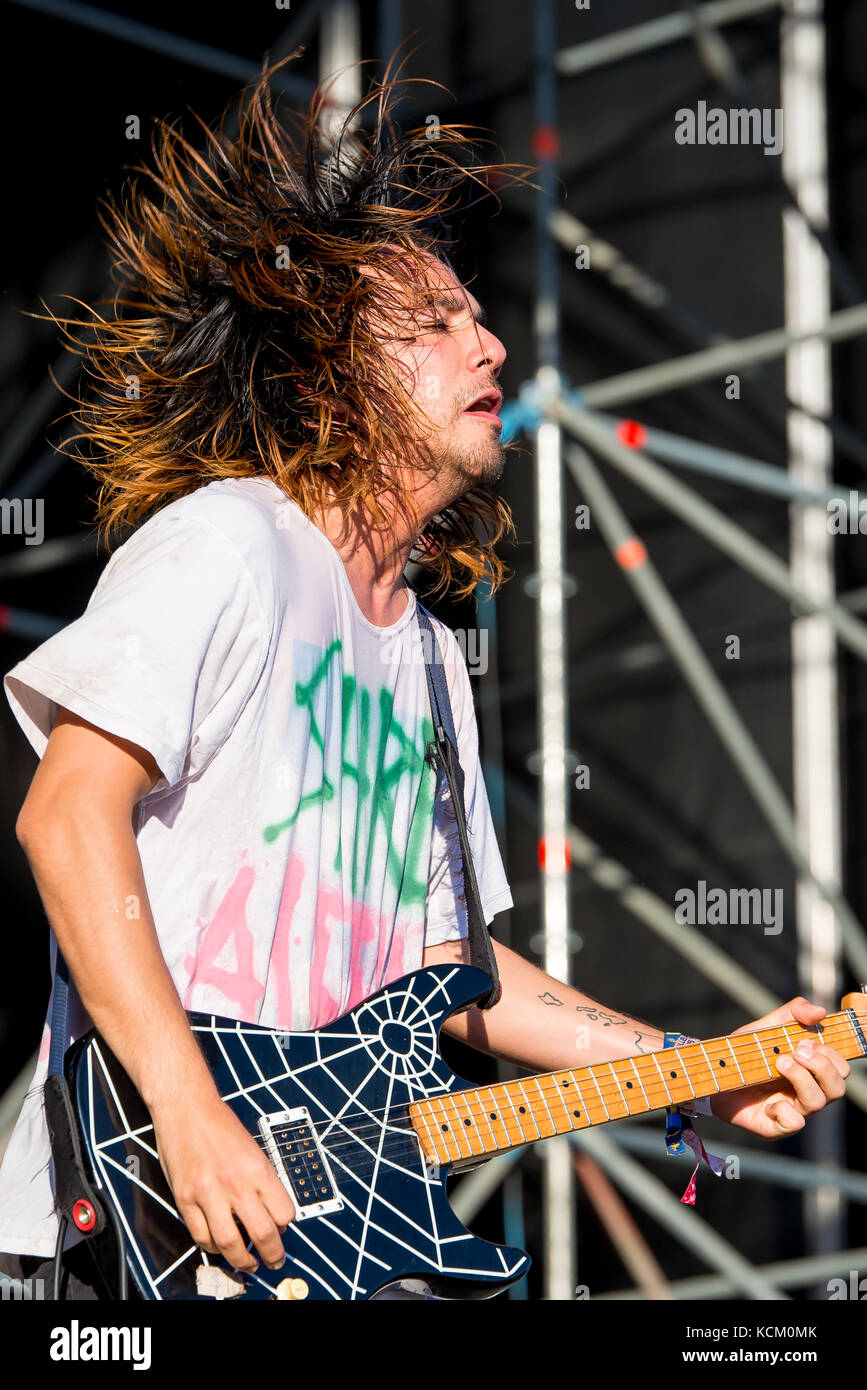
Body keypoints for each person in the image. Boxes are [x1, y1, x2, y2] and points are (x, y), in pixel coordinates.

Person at [0, 60, 850, 1302]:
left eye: (475, 314)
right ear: (329, 378)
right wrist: (188, 1111)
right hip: (141, 1205)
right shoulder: (234, 542)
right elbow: (64, 816)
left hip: (325, 1219)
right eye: (438, 323)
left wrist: (697, 1065)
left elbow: (455, 973)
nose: (491, 342)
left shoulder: (432, 656)